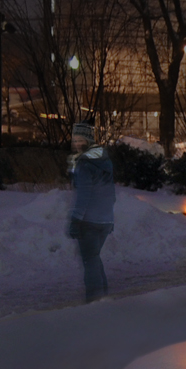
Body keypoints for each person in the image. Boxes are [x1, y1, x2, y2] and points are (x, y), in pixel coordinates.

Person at [66, 119, 115, 302]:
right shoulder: (104, 160)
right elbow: (112, 193)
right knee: (94, 257)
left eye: (79, 139)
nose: (75, 143)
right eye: (74, 139)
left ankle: (94, 302)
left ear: (87, 140)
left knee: (90, 260)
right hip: (105, 219)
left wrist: (76, 220)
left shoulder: (84, 164)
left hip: (89, 221)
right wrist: (109, 217)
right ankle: (103, 298)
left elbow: (84, 195)